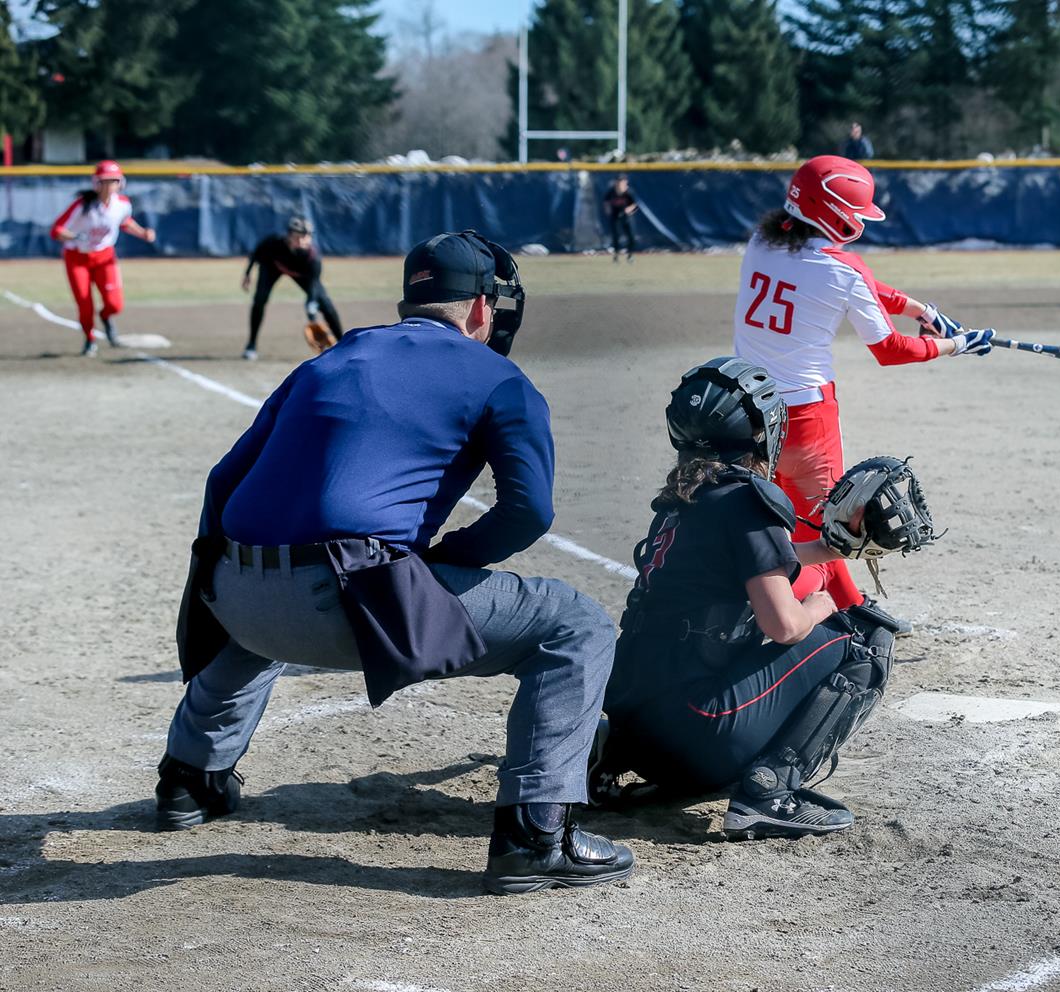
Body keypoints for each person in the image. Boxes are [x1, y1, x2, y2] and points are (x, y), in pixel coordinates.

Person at [160, 230, 633, 895]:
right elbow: (530, 512)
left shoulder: (339, 353)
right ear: (480, 308)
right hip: (352, 603)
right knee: (576, 623)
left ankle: (190, 781)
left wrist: (214, 588)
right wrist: (445, 562)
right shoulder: (499, 375)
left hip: (237, 600)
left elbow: (222, 481)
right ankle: (535, 833)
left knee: (267, 582)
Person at [600, 357, 897, 838]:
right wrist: (826, 599)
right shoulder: (746, 498)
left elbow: (750, 558)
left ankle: (608, 754)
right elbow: (785, 625)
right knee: (864, 637)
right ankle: (769, 791)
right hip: (696, 737)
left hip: (636, 729)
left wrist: (832, 546)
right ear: (759, 432)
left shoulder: (688, 495)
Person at [732, 155, 991, 632]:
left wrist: (920, 308)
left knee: (770, 513)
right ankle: (841, 612)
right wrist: (955, 344)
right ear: (834, 213)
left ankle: (844, 602)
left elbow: (859, 284)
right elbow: (891, 348)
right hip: (805, 414)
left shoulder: (761, 242)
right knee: (823, 524)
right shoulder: (842, 269)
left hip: (744, 408)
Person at [48, 159, 157, 356]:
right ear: (96, 183)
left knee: (115, 304)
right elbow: (56, 230)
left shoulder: (122, 204)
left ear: (120, 183)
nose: (109, 186)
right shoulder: (83, 205)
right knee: (84, 303)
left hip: (104, 257)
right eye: (105, 181)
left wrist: (142, 233)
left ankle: (106, 317)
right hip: (77, 258)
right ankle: (90, 339)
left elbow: (124, 222)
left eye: (113, 181)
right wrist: (73, 236)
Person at [240, 217, 342, 361]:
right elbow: (257, 252)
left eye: (306, 237)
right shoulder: (274, 243)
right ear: (289, 235)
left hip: (301, 274)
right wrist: (247, 273)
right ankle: (251, 344)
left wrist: (312, 318)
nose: (301, 241)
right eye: (297, 237)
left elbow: (312, 292)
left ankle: (344, 344)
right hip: (272, 267)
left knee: (325, 303)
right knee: (260, 299)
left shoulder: (313, 258)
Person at [604, 175, 638, 262]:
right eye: (619, 181)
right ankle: (616, 256)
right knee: (616, 236)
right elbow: (605, 201)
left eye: (623, 181)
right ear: (616, 182)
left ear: (625, 182)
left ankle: (630, 255)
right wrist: (608, 210)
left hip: (626, 217)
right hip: (615, 216)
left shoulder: (629, 192)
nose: (620, 183)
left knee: (631, 237)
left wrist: (629, 210)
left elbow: (635, 206)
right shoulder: (612, 192)